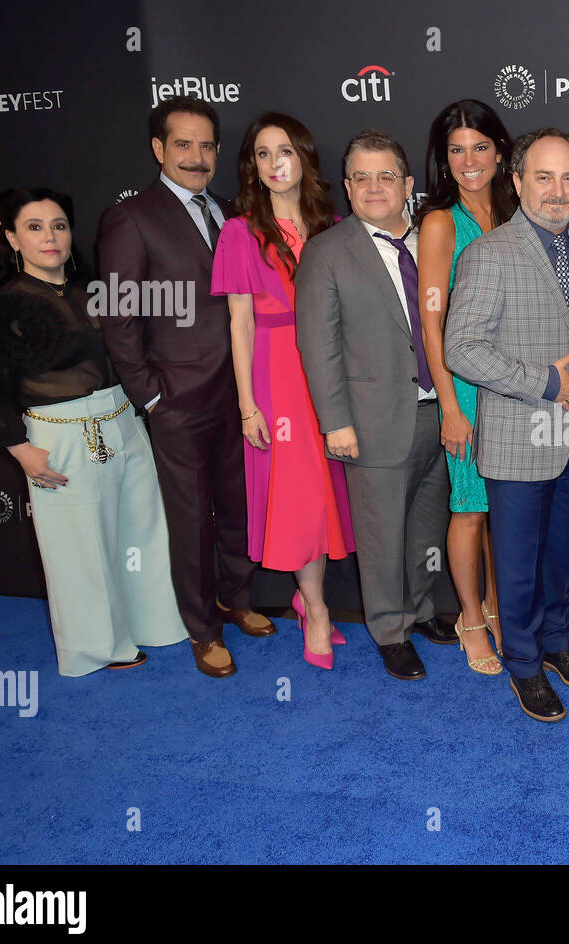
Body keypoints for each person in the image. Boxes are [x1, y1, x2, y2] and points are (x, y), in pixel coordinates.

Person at [0, 187, 188, 675]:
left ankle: (157, 624)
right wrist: (21, 451)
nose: (50, 237)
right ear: (12, 238)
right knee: (79, 547)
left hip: (122, 422)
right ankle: (99, 648)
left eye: (58, 225)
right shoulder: (0, 307)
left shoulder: (95, 291)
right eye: (35, 227)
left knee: (143, 530)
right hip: (57, 437)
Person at [97, 95, 275, 680]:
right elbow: (120, 316)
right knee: (192, 515)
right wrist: (149, 395)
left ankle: (237, 598)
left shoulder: (231, 210)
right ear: (158, 149)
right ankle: (203, 629)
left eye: (206, 146)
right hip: (176, 399)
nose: (197, 157)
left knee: (238, 507)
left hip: (241, 393)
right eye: (183, 145)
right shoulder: (133, 217)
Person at [446, 128, 569, 722]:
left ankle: (558, 645)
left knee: (560, 558)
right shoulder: (489, 252)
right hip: (518, 435)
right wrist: (544, 381)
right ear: (516, 182)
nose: (558, 191)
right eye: (544, 176)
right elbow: (461, 347)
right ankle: (524, 666)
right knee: (515, 565)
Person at [295, 130, 451, 681]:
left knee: (426, 528)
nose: (373, 187)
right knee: (383, 534)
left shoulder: (437, 240)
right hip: (373, 419)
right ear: (347, 186)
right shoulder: (326, 252)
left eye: (386, 175)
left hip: (443, 413)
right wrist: (335, 422)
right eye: (360, 177)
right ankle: (390, 631)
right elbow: (318, 345)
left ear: (408, 184)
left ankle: (423, 609)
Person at [211, 112, 356, 670]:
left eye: (286, 151)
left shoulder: (334, 225)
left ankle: (307, 595)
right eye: (264, 154)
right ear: (254, 165)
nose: (276, 164)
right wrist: (248, 405)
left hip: (332, 374)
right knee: (296, 498)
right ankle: (316, 610)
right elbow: (240, 325)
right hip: (276, 376)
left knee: (327, 495)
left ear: (304, 158)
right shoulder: (240, 232)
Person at [415, 99, 519, 676]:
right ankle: (471, 618)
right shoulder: (438, 222)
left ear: (500, 152)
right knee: (472, 508)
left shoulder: (517, 214)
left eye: (480, 146)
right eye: (456, 150)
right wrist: (451, 407)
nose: (469, 160)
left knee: (506, 510)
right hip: (468, 391)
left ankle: (503, 610)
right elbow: (432, 322)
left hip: (518, 385)